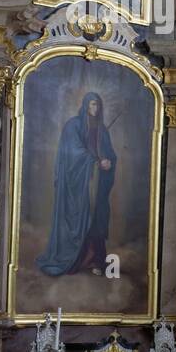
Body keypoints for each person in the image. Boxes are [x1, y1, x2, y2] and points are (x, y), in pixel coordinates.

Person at [37, 92, 117, 277]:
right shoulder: (73, 126)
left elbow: (110, 154)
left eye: (98, 105)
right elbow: (72, 153)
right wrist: (95, 161)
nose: (95, 109)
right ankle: (75, 259)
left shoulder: (102, 129)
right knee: (81, 217)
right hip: (77, 185)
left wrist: (108, 161)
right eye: (92, 105)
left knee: (97, 217)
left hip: (97, 184)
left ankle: (97, 260)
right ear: (85, 106)